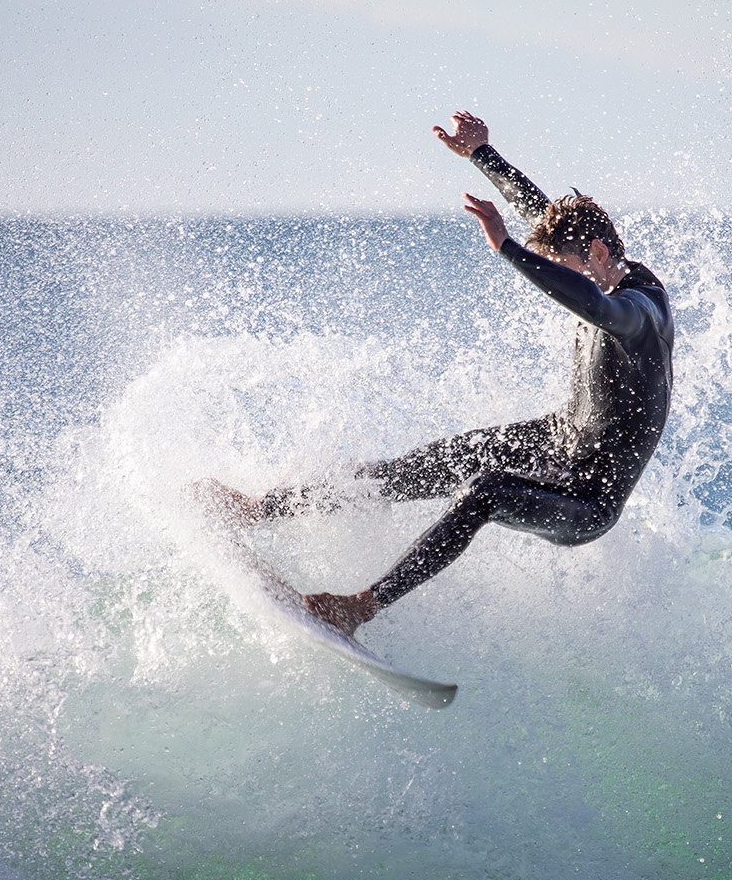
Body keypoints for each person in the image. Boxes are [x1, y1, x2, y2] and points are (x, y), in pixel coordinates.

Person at [196, 111, 675, 635]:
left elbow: (597, 307)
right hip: (558, 438)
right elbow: (543, 215)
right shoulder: (594, 258)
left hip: (587, 497)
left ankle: (360, 608)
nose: (558, 275)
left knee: (485, 491)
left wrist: (508, 249)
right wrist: (481, 155)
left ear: (600, 253)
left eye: (563, 264)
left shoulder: (639, 311)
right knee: (431, 464)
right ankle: (260, 509)